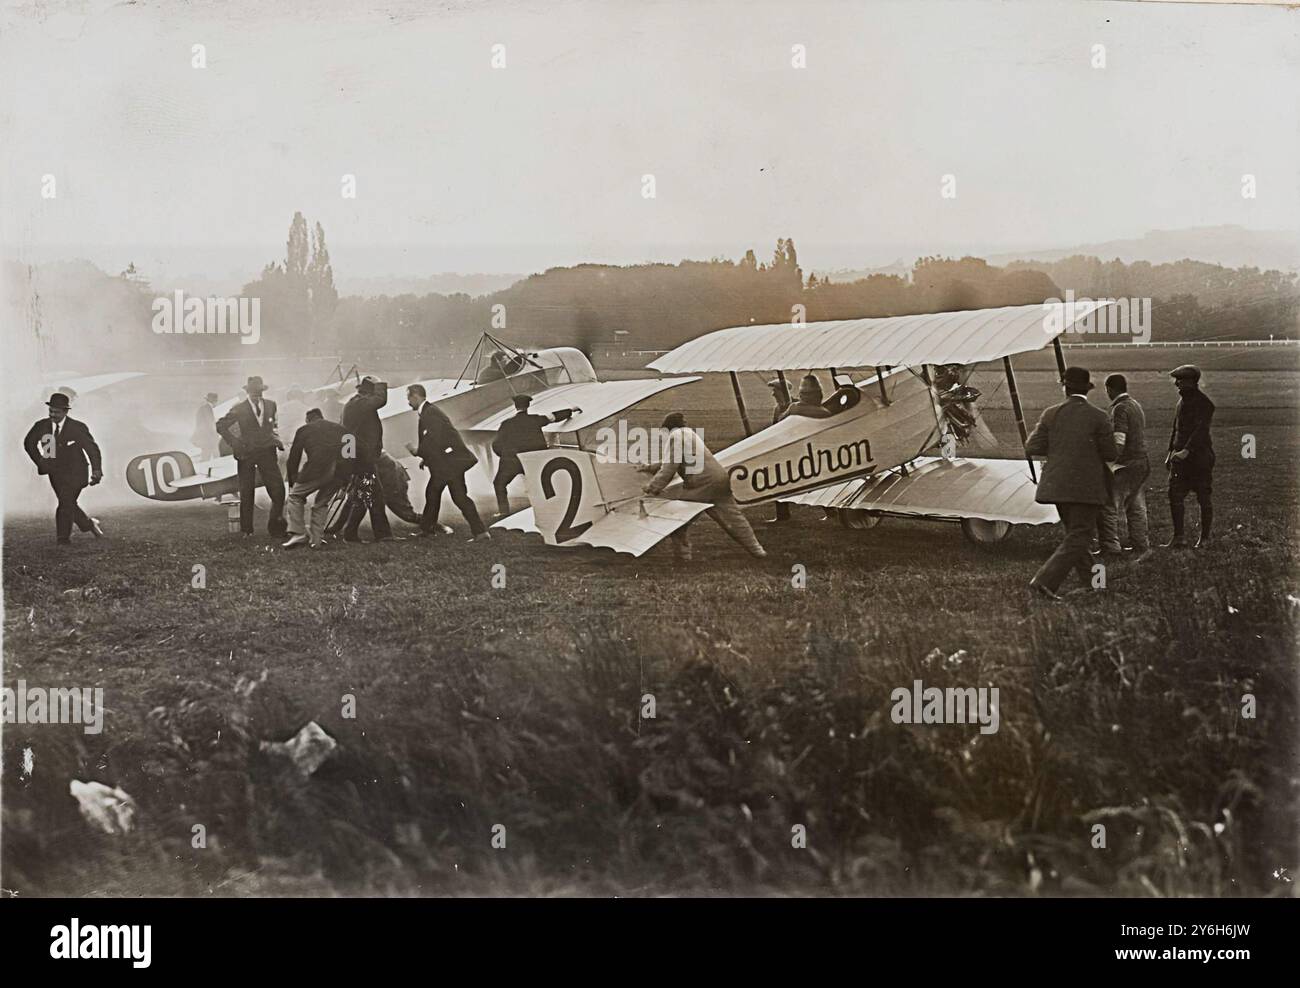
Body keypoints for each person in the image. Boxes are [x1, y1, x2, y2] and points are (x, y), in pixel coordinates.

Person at [1024, 366, 1117, 600]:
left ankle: (1097, 585)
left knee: (1076, 536)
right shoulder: (1099, 416)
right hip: (1086, 487)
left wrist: (1060, 450)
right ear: (1088, 389)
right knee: (1080, 536)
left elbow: (1032, 446)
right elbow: (1111, 453)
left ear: (1065, 387)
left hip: (1056, 485)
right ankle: (1042, 582)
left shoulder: (1050, 414)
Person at [641, 412, 766, 562]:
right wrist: (649, 467)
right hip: (719, 479)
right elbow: (673, 460)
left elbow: (669, 466)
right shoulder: (690, 434)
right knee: (734, 519)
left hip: (700, 485)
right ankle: (758, 551)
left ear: (668, 428)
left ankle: (683, 558)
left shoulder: (675, 437)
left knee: (678, 521)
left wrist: (652, 487)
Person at [405, 384, 489, 541]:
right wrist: (426, 459)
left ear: (415, 396)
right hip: (450, 462)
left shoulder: (429, 413)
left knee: (435, 493)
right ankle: (480, 532)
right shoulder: (429, 412)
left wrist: (418, 451)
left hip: (449, 464)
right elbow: (439, 440)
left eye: (408, 398)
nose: (408, 402)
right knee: (455, 496)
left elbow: (434, 439)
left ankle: (428, 530)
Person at [22, 392, 104, 544]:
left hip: (77, 473)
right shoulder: (41, 426)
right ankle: (89, 524)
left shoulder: (78, 427)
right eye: (51, 411)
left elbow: (92, 449)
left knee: (65, 502)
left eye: (57, 412)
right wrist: (40, 461)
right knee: (68, 502)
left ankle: (63, 540)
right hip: (55, 474)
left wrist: (96, 470)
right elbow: (28, 443)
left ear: (66, 411)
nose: (53, 414)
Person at [215, 376, 287, 537]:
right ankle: (247, 530)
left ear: (262, 391)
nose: (256, 395)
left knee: (278, 490)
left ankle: (276, 528)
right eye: (253, 392)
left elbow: (272, 426)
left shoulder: (271, 405)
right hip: (246, 453)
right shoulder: (239, 408)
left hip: (267, 452)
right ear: (247, 392)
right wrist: (235, 443)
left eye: (259, 391)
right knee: (247, 492)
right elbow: (220, 425)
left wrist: (276, 440)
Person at [490, 394, 580, 516]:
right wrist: (570, 411)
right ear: (528, 406)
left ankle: (503, 511)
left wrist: (505, 455)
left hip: (511, 460)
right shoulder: (535, 420)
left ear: (515, 407)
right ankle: (551, 509)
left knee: (499, 484)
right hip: (534, 459)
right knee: (541, 484)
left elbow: (496, 444)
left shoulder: (506, 424)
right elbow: (553, 417)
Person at [1098, 374, 1150, 561]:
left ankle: (1111, 546)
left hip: (1126, 463)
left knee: (1109, 505)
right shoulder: (1136, 405)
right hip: (1142, 462)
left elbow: (1119, 440)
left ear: (1110, 389)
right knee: (1136, 505)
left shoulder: (1119, 409)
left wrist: (1110, 461)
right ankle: (1141, 544)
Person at [1163, 364, 1215, 549]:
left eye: (1181, 380)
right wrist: (1171, 453)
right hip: (1179, 458)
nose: (1177, 383)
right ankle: (1179, 537)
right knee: (1174, 494)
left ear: (1192, 382)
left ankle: (1205, 538)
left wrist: (1186, 450)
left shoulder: (1205, 404)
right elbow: (1176, 430)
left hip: (1199, 459)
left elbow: (1200, 431)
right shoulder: (1181, 403)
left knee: (1203, 496)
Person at [283, 408, 347, 549]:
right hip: (339, 472)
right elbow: (351, 453)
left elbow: (294, 457)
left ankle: (298, 533)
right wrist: (345, 481)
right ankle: (316, 540)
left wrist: (293, 481)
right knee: (321, 503)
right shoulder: (341, 429)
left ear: (308, 420)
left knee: (295, 497)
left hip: (317, 470)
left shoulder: (304, 430)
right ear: (321, 417)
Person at [340, 375, 393, 543]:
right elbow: (380, 400)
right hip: (362, 458)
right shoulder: (360, 403)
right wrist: (380, 384)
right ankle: (360, 534)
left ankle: (374, 534)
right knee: (370, 495)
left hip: (358, 456)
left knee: (368, 496)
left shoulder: (354, 403)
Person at [766, 378, 793, 524]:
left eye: (775, 390)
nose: (773, 394)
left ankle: (830, 511)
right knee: (778, 480)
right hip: (782, 450)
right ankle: (782, 514)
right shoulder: (778, 409)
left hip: (796, 449)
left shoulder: (794, 406)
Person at [191, 392, 220, 461]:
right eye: (216, 401)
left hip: (205, 437)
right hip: (207, 437)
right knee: (212, 454)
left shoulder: (203, 408)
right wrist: (216, 433)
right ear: (214, 401)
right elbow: (210, 423)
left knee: (207, 454)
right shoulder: (207, 408)